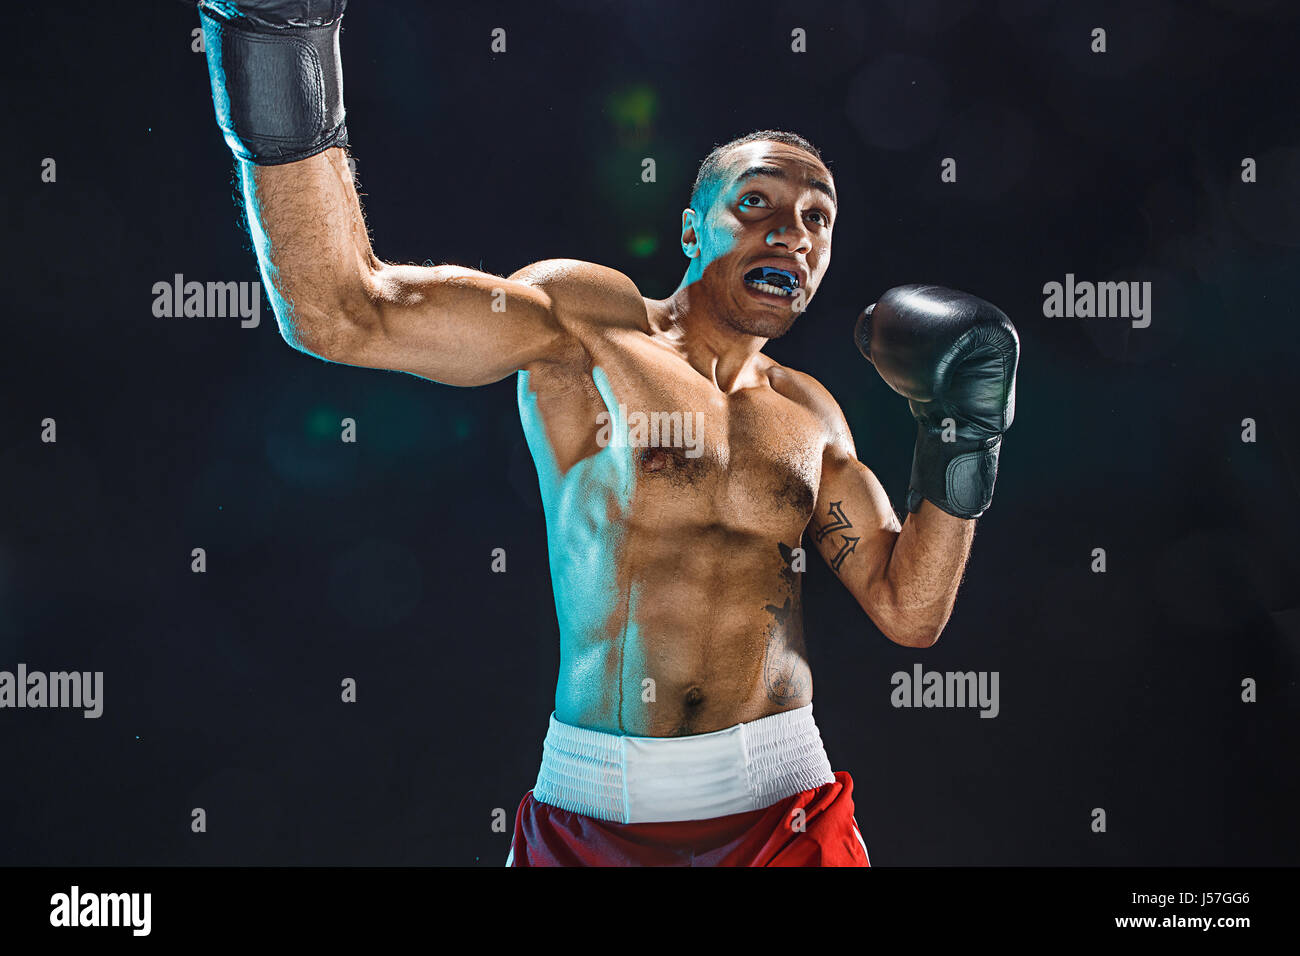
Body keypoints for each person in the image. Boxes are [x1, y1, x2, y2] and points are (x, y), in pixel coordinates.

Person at [195, 0, 1019, 866]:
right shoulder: (589, 326)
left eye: (818, 217)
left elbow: (910, 611)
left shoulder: (810, 414)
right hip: (595, 809)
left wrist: (962, 437)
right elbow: (340, 312)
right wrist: (275, 37)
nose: (792, 230)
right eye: (757, 202)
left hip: (786, 810)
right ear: (693, 228)